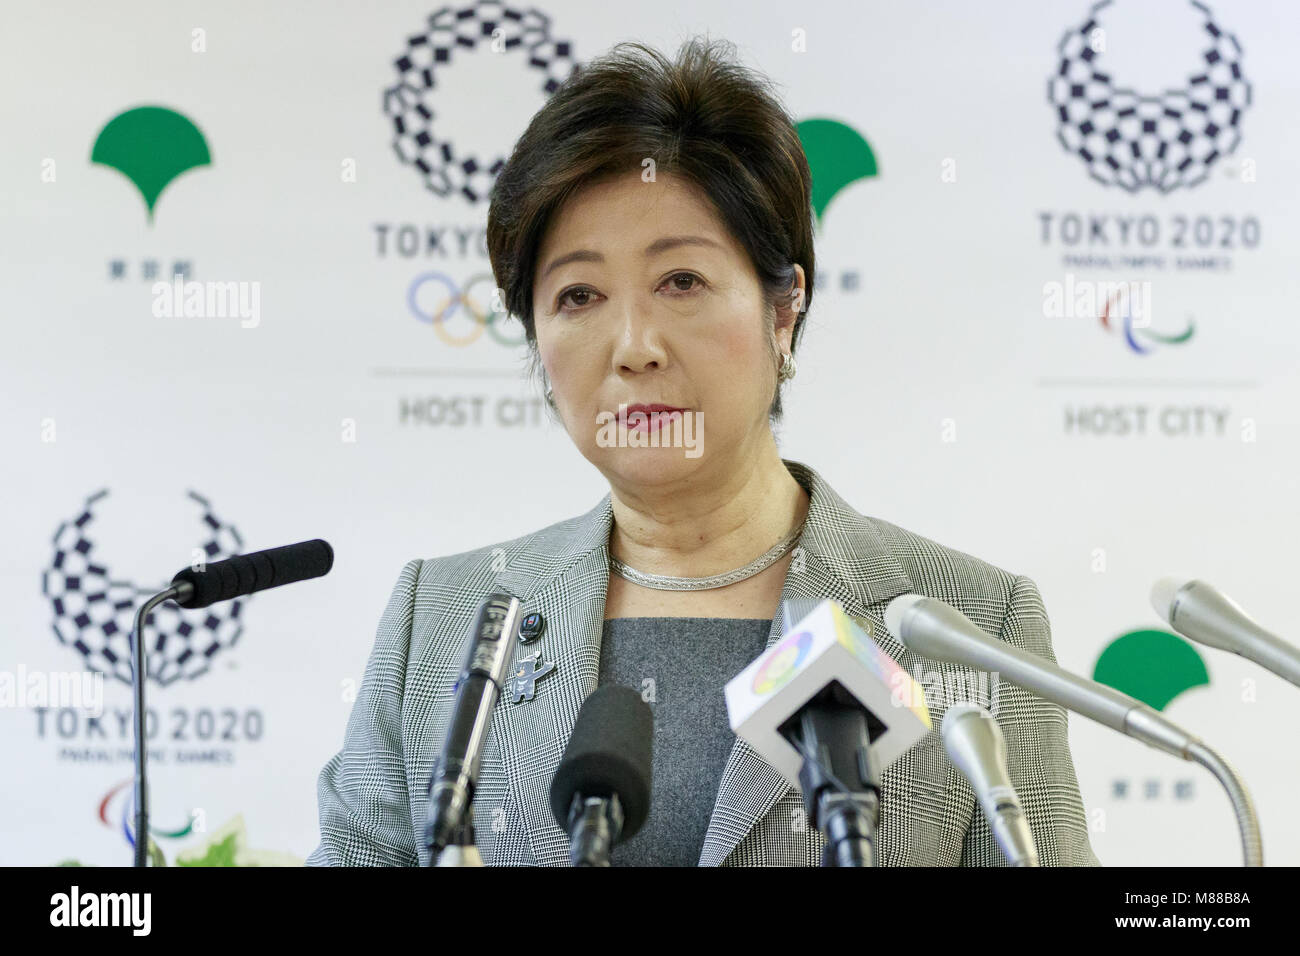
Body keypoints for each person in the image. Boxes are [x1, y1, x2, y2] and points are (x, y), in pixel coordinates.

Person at [307, 38, 1099, 866]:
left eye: (680, 282)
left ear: (782, 313)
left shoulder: (966, 625)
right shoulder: (439, 622)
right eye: (578, 295)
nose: (634, 345)